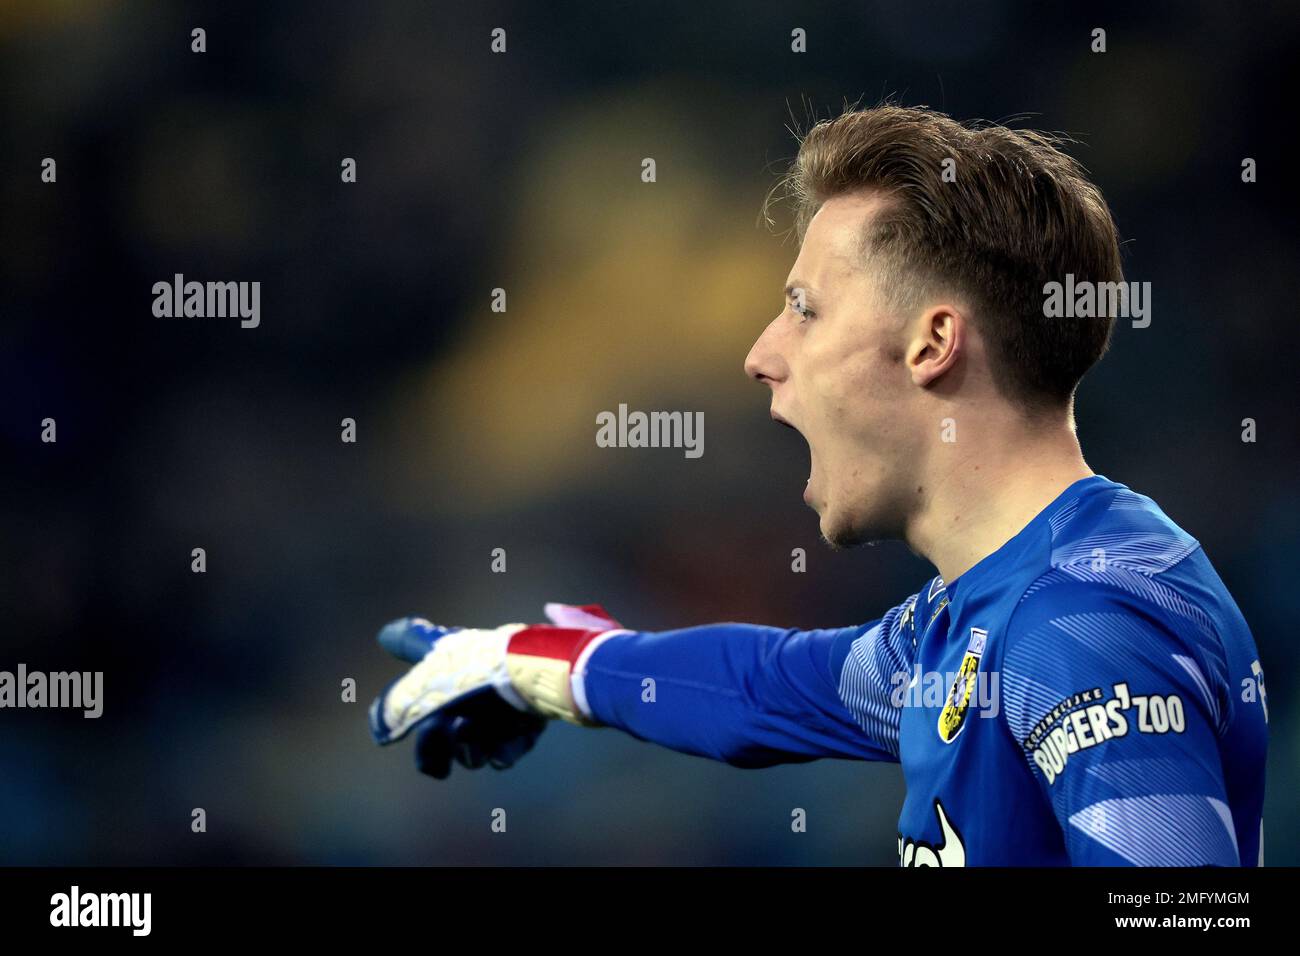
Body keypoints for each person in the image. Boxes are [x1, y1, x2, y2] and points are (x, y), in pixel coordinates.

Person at [369, 105, 1268, 866]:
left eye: (805, 310)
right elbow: (768, 689)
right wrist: (539, 666)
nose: (762, 355)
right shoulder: (979, 616)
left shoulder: (1083, 629)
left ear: (931, 344)